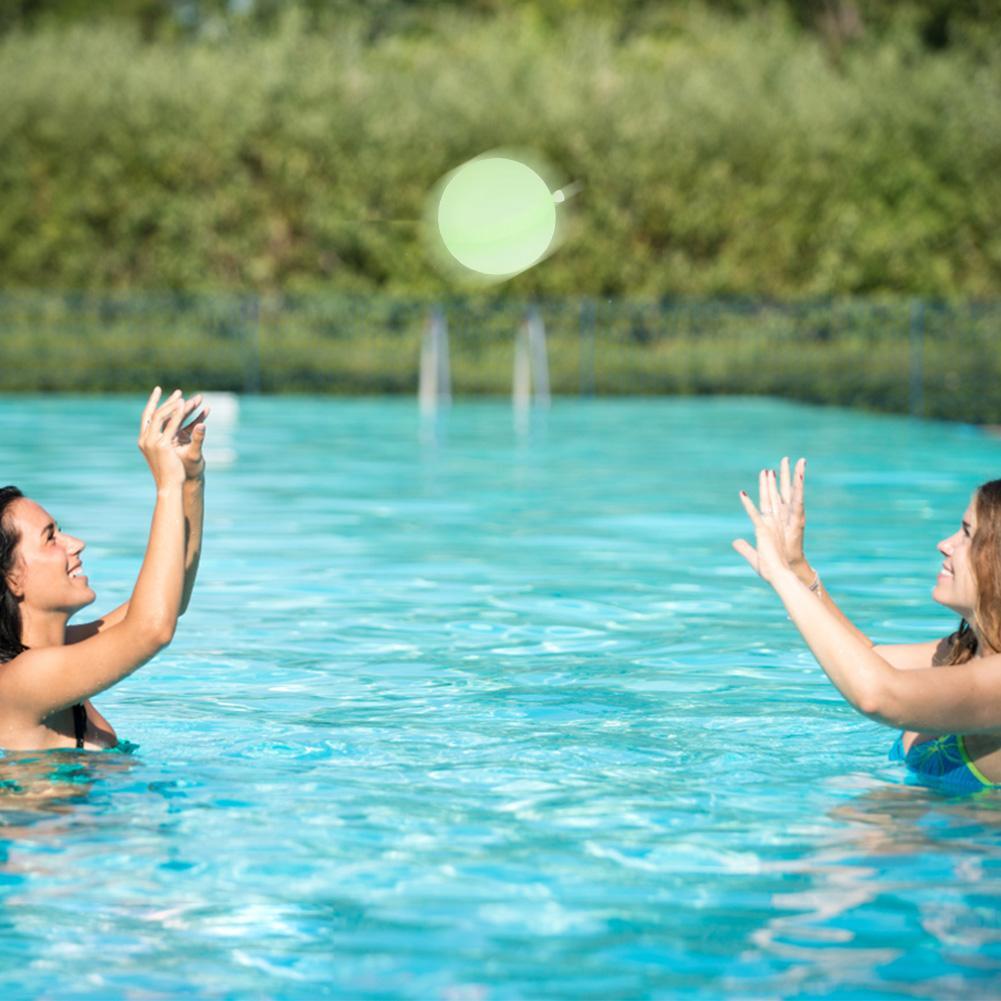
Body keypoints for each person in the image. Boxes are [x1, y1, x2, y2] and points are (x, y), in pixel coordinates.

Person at [734, 456, 1001, 793]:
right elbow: (868, 660)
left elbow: (877, 695)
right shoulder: (965, 648)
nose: (945, 545)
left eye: (966, 534)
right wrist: (798, 569)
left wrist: (781, 578)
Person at [0, 387, 209, 751]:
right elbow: (152, 630)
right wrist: (165, 487)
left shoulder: (61, 651)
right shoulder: (20, 679)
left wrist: (190, 480)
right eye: (51, 538)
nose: (76, 543)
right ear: (12, 579)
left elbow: (169, 605)